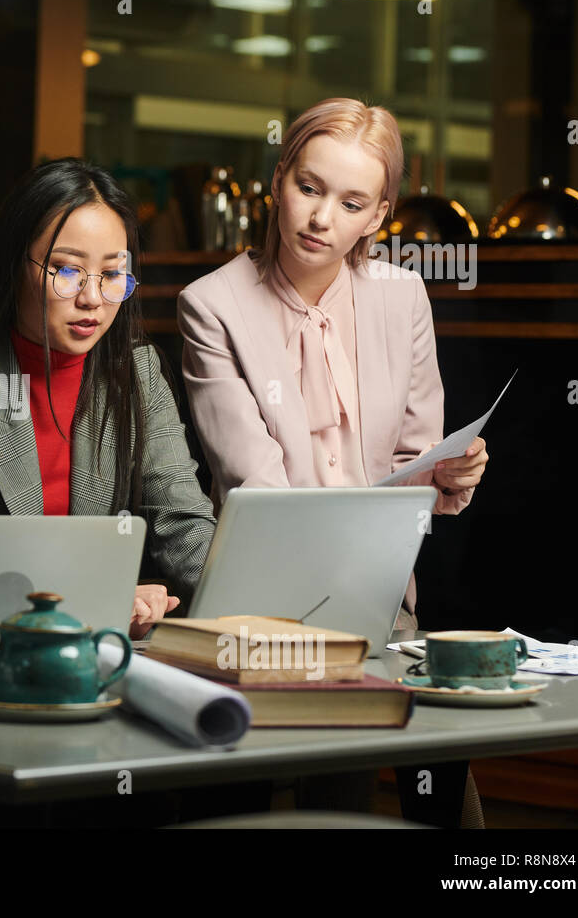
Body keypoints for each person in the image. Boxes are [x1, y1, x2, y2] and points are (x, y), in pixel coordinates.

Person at [178, 97, 489, 826]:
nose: (321, 219)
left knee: (451, 748)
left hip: (385, 599)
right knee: (342, 768)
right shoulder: (213, 306)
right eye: (309, 188)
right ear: (279, 178)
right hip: (269, 612)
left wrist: (448, 475)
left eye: (351, 202)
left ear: (378, 216)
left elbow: (418, 455)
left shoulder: (401, 295)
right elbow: (258, 491)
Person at [0, 158, 217, 640]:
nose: (93, 299)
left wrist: (259, 605)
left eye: (112, 274)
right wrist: (98, 600)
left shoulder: (135, 373)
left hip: (99, 657)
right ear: (15, 264)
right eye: (67, 271)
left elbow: (182, 524)